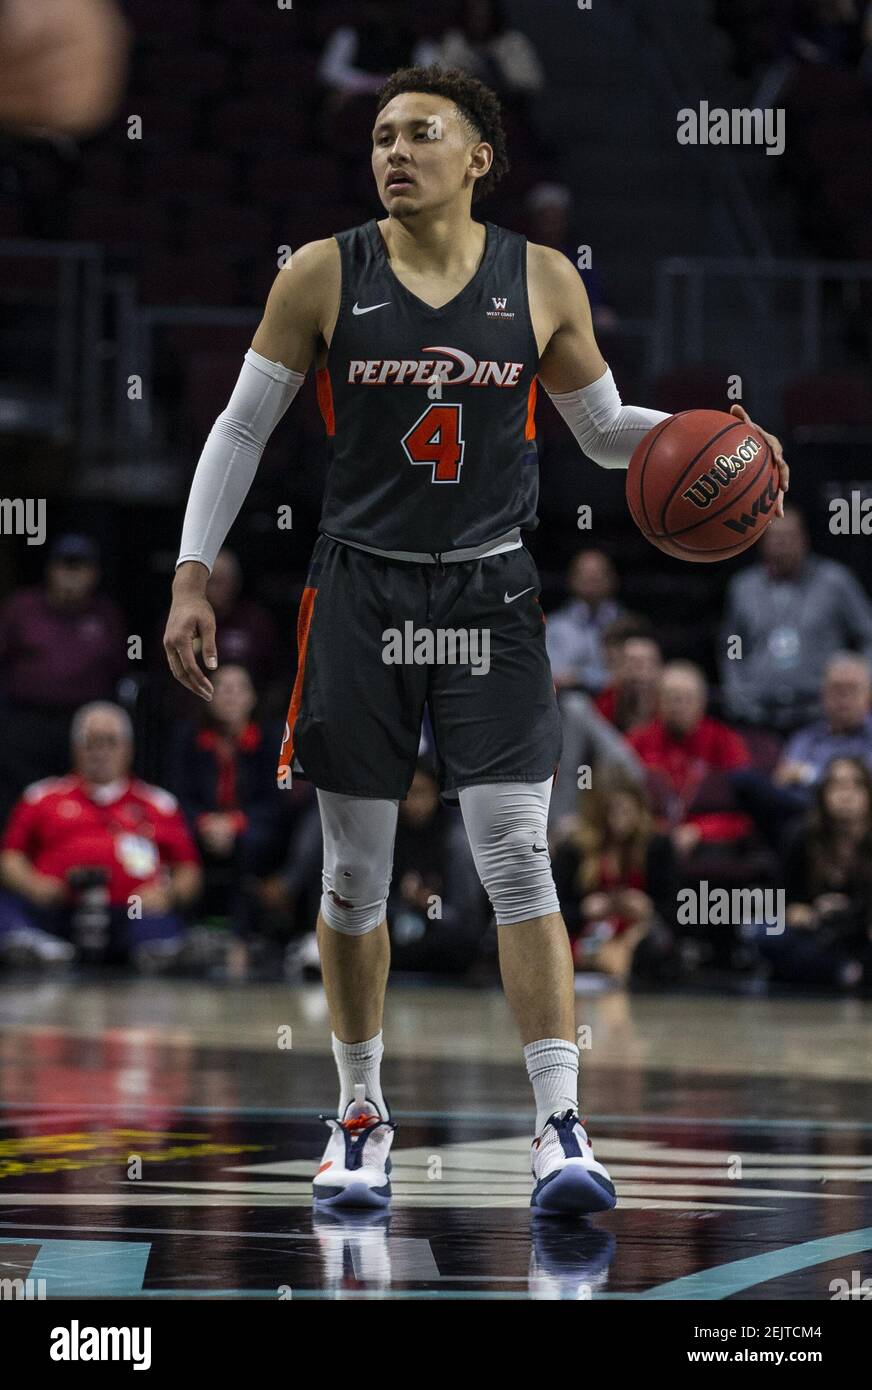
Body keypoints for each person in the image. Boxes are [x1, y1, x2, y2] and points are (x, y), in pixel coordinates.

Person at [163, 64, 788, 1217]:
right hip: (357, 592)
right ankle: (358, 1111)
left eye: (420, 134)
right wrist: (191, 572)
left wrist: (719, 444)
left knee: (515, 859)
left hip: (491, 596)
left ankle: (557, 1121)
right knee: (354, 878)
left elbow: (604, 434)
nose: (392, 152)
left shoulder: (539, 277)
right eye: (381, 137)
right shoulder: (320, 271)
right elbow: (241, 426)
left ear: (478, 158)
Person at [0, 702, 201, 969]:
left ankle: (157, 949)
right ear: (75, 747)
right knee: (9, 910)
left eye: (110, 741)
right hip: (57, 908)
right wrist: (32, 884)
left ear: (128, 748)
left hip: (132, 910)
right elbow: (10, 856)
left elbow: (189, 870)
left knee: (155, 922)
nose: (100, 751)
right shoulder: (41, 796)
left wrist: (169, 894)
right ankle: (35, 948)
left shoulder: (158, 803)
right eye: (90, 741)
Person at [0, 533, 128, 824]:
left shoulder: (106, 614)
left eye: (79, 567)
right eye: (65, 566)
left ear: (93, 573)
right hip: (26, 722)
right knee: (19, 799)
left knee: (83, 796)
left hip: (83, 725)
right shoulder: (21, 607)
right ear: (51, 570)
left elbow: (121, 668)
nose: (71, 575)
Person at [719, 508, 872, 732]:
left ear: (804, 540)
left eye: (789, 537)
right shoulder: (743, 587)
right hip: (759, 717)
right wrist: (737, 689)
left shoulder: (835, 581)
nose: (782, 545)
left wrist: (859, 681)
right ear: (761, 541)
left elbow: (867, 636)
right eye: (774, 537)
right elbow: (732, 642)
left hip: (821, 716)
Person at [170, 664, 290, 945]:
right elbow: (177, 796)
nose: (231, 696)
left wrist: (234, 824)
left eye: (239, 689)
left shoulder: (269, 740)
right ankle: (184, 932)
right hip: (201, 825)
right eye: (222, 689)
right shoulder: (188, 738)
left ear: (252, 698)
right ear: (208, 696)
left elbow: (275, 802)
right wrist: (203, 822)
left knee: (252, 842)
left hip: (249, 827)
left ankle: (243, 934)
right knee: (179, 840)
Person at [733, 652, 872, 849]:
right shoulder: (805, 737)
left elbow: (866, 783)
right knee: (745, 781)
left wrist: (808, 774)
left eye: (851, 689)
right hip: (804, 813)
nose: (844, 697)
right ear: (823, 695)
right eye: (836, 689)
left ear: (868, 696)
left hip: (862, 819)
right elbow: (783, 780)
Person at [754, 756, 872, 989]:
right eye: (837, 785)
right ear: (823, 794)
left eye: (856, 785)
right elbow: (781, 898)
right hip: (818, 931)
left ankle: (843, 972)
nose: (846, 794)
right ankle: (845, 972)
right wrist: (797, 911)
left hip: (860, 933)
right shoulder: (801, 837)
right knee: (766, 933)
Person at [552, 770, 678, 984]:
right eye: (613, 811)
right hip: (586, 931)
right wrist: (583, 910)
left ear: (639, 810)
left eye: (626, 811)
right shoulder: (574, 850)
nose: (619, 819)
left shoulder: (657, 847)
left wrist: (648, 908)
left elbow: (675, 909)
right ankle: (596, 960)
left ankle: (613, 966)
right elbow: (555, 908)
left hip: (637, 933)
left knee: (644, 944)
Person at [627, 661, 753, 858]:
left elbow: (746, 812)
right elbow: (621, 798)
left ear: (702, 702)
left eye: (686, 699)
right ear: (658, 702)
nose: (679, 706)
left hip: (709, 844)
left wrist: (699, 831)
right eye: (672, 699)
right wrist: (651, 828)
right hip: (651, 839)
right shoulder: (637, 741)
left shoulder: (725, 741)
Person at [545, 549, 624, 694]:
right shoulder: (554, 626)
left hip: (618, 702)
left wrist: (581, 676)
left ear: (613, 579)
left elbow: (627, 676)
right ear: (571, 580)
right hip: (571, 703)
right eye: (585, 574)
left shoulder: (627, 624)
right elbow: (555, 676)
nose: (592, 579)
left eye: (598, 574)